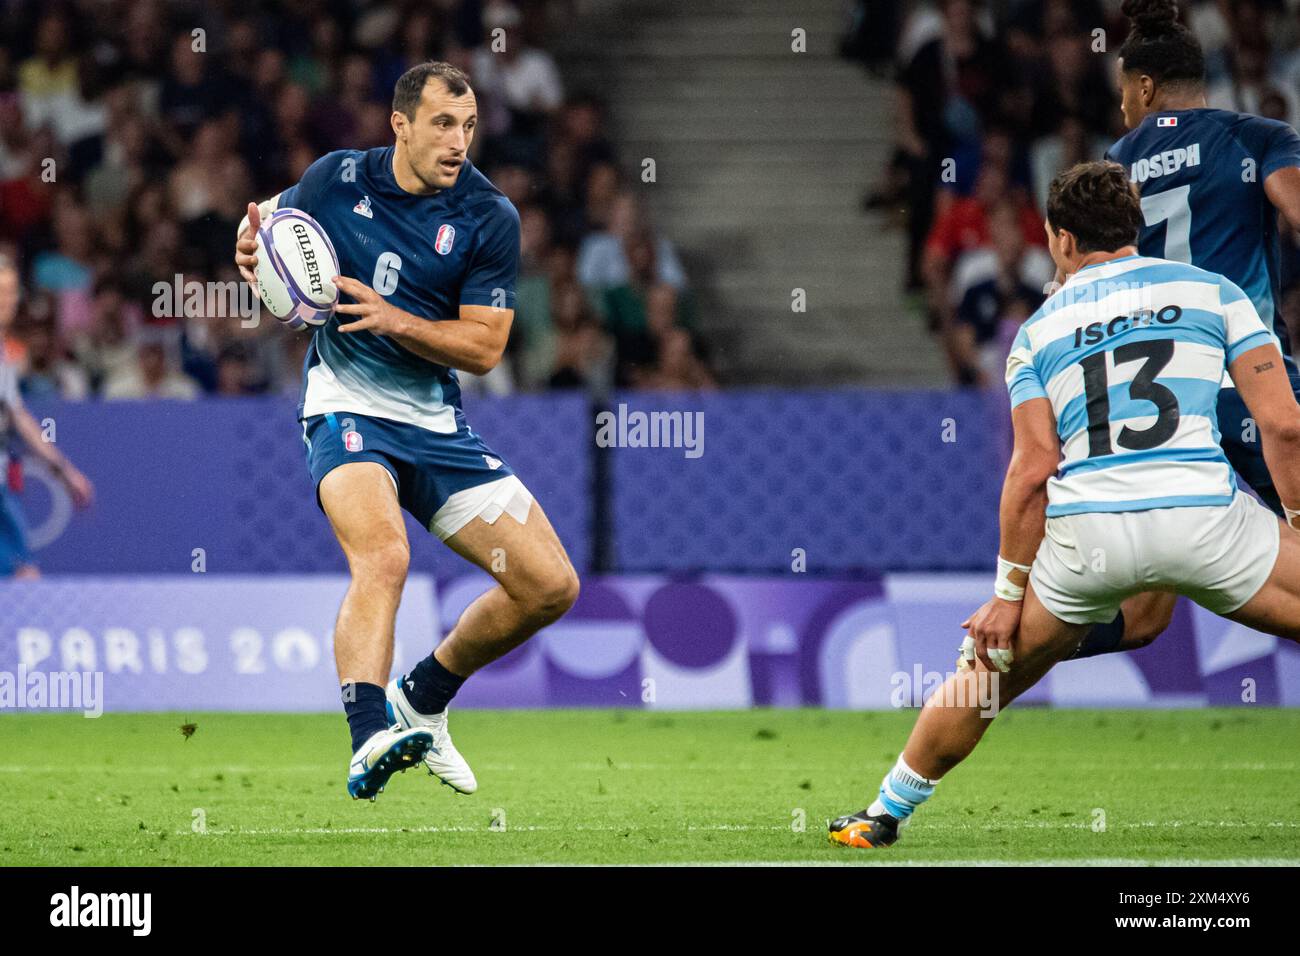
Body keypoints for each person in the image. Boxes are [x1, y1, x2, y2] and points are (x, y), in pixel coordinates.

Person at [829, 160, 1300, 849]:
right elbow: (1284, 424)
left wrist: (1007, 595)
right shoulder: (1215, 292)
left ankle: (881, 815)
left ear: (1059, 239)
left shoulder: (1038, 332)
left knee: (987, 672)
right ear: (1133, 228)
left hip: (1090, 536)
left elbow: (1032, 471)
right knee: (1151, 610)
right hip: (1205, 518)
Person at [234, 62, 579, 802]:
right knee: (385, 557)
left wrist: (395, 319)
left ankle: (421, 696)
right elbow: (266, 220)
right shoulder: (337, 180)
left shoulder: (489, 217)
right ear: (400, 125)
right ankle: (367, 740)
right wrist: (248, 246)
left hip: (435, 423)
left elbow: (485, 348)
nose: (459, 142)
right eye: (443, 124)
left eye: (469, 126)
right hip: (347, 405)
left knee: (549, 586)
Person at [1070, 0, 1300, 659]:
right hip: (1250, 388)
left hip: (1158, 406)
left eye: (1122, 93)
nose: (1121, 107)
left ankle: (1014, 645)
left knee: (1142, 615)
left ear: (1144, 88)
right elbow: (1293, 207)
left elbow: (1086, 276)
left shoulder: (1115, 164)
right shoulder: (1256, 137)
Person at [0, 256, 94, 578]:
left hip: (3, 475)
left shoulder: (5, 350)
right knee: (25, 576)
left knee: (23, 575)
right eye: (2, 292)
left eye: (12, 292)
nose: (9, 301)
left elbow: (17, 416)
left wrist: (64, 471)